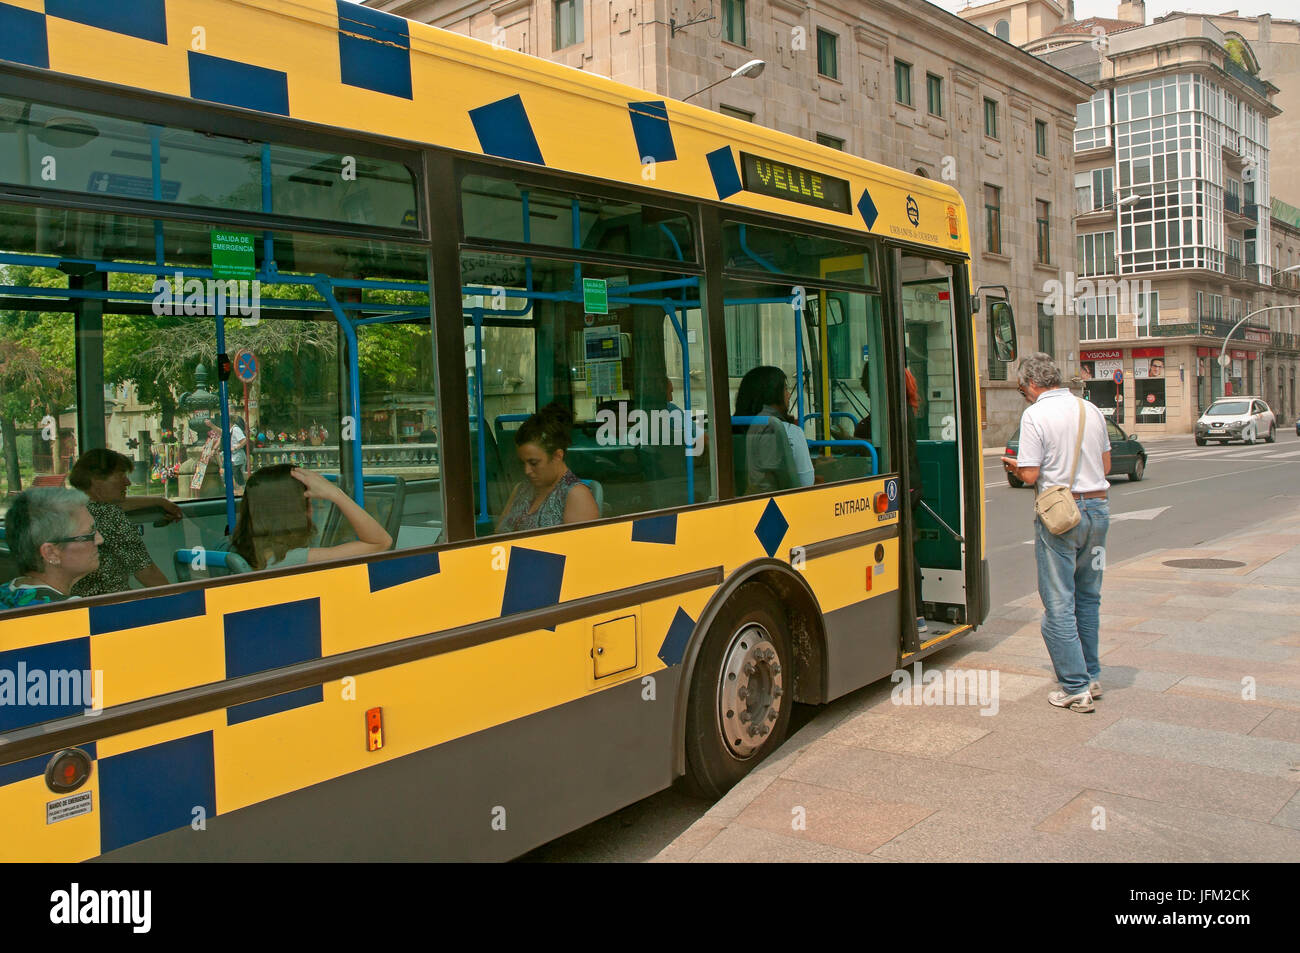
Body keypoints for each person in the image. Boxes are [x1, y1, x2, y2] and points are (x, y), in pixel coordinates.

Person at [1001, 352, 1111, 713]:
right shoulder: (1089, 409)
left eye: (1022, 389)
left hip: (1061, 515)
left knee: (1059, 602)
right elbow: (1106, 464)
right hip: (1098, 509)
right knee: (1088, 597)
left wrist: (1015, 468)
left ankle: (1074, 687)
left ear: (1032, 384)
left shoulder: (1036, 414)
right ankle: (1091, 675)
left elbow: (1031, 475)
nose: (1025, 395)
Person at [229, 464, 392, 571]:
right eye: (308, 503)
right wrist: (336, 493)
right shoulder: (295, 560)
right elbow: (380, 542)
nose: (313, 509)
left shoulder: (229, 548)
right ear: (294, 512)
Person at [68, 448, 179, 597]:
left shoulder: (72, 507)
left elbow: (114, 503)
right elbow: (147, 572)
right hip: (111, 603)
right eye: (120, 475)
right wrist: (179, 601)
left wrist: (159, 501)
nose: (127, 482)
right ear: (96, 479)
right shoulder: (110, 515)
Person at [497, 403, 599, 533]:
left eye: (534, 463)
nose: (527, 471)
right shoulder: (521, 490)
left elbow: (579, 550)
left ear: (557, 456)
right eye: (522, 463)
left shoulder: (575, 496)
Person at [0, 487, 102, 609]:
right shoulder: (68, 613)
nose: (100, 539)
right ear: (51, 553)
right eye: (89, 533)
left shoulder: (8, 592)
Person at [734, 366, 815, 491]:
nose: (788, 395)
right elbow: (806, 483)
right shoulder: (791, 432)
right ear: (774, 395)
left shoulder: (729, 431)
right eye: (785, 389)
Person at [903, 369, 926, 634]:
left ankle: (917, 613)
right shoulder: (907, 409)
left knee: (907, 551)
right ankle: (917, 614)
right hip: (911, 485)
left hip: (905, 487)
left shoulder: (896, 411)